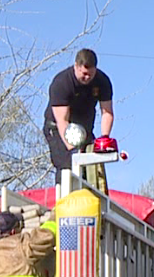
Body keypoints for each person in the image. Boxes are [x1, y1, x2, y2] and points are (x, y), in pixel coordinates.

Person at [42, 48, 114, 185]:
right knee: (69, 165)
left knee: (91, 166)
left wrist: (104, 139)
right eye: (84, 74)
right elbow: (62, 121)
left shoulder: (102, 81)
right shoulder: (61, 83)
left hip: (84, 128)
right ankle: (65, 199)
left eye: (91, 74)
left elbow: (107, 112)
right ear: (76, 66)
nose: (87, 78)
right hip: (59, 129)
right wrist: (73, 150)